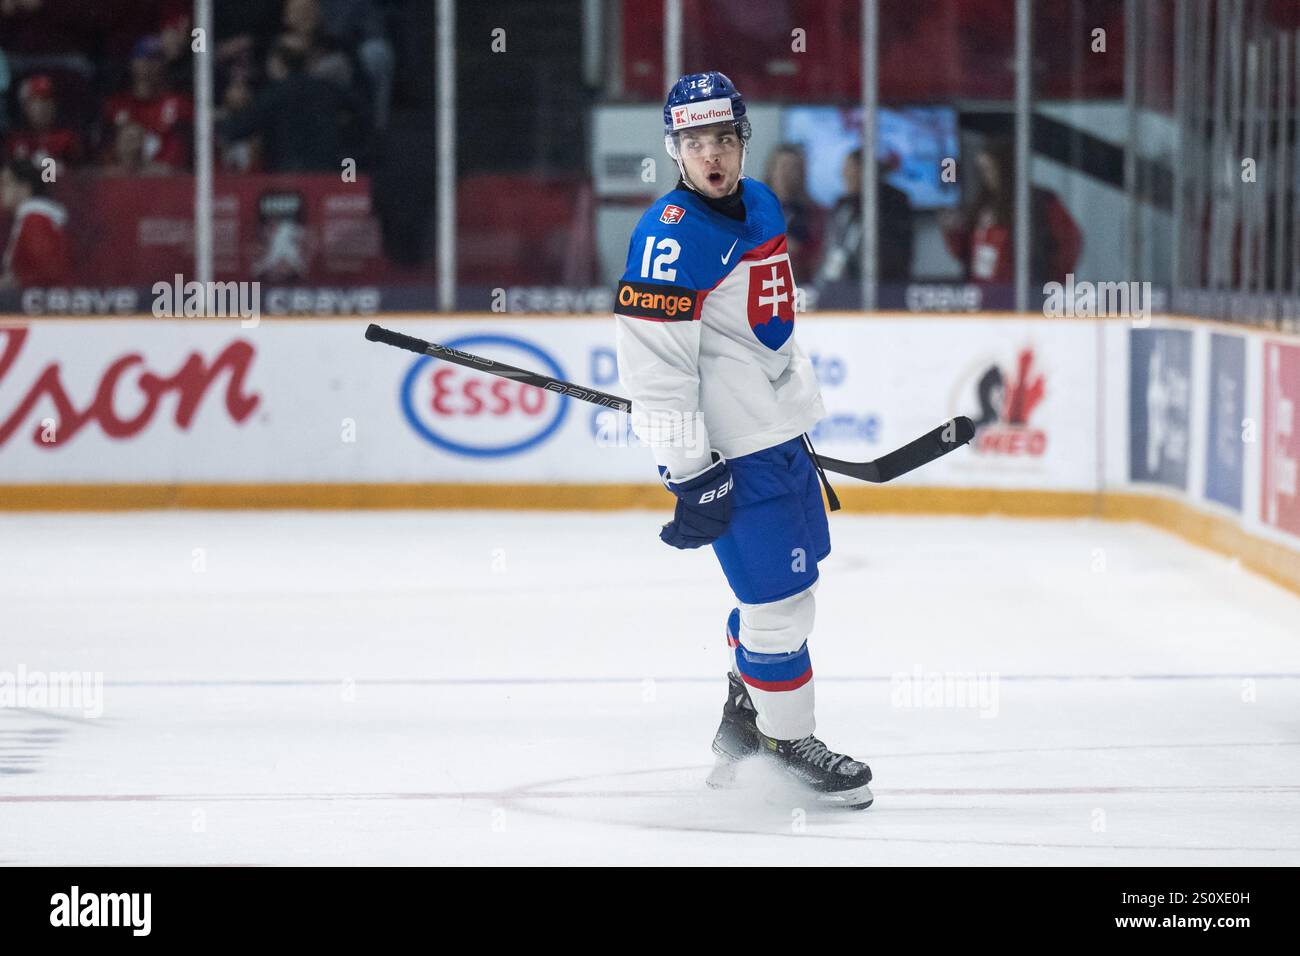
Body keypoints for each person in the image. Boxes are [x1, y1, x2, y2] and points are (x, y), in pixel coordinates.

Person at [613, 71, 873, 809]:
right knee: (781, 604)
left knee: (789, 594)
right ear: (675, 149)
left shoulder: (760, 203)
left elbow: (760, 331)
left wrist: (789, 408)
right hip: (737, 450)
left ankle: (745, 721)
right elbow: (657, 374)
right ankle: (789, 744)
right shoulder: (669, 240)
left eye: (724, 137)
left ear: (742, 140)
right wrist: (690, 472)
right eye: (696, 142)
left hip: (779, 433)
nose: (713, 154)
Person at [940, 137, 1081, 286]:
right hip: (982, 293)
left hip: (1021, 294)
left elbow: (1070, 241)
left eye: (990, 169)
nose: (986, 177)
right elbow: (966, 254)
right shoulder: (982, 203)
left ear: (1005, 168)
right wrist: (953, 232)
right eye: (981, 170)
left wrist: (1051, 283)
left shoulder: (1038, 202)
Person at [816, 147, 913, 294]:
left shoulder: (894, 202)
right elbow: (831, 248)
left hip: (884, 291)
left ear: (866, 171)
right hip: (839, 290)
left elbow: (895, 256)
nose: (844, 174)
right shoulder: (843, 205)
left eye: (849, 168)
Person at [0, 156, 70, 289]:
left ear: (24, 188)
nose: (1, 190)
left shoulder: (35, 221)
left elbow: (47, 272)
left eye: (5, 183)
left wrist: (13, 285)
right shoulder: (32, 218)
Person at [763, 144, 821, 281]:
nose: (787, 173)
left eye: (793, 168)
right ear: (771, 170)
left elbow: (820, 256)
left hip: (801, 286)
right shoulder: (750, 210)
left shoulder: (815, 214)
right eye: (782, 167)